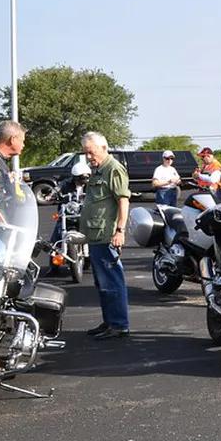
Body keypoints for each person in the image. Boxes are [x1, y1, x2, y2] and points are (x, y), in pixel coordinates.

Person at [79, 131, 131, 340]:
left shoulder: (113, 169)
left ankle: (119, 325)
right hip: (95, 235)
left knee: (112, 282)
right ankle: (110, 321)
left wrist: (120, 230)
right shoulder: (99, 170)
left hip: (107, 235)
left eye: (91, 152)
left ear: (104, 148)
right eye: (86, 154)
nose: (89, 157)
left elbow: (123, 200)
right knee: (102, 283)